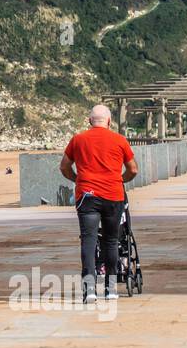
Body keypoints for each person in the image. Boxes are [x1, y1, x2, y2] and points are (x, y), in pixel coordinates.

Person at [59, 104, 139, 303]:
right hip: (113, 195)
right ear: (110, 122)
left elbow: (64, 167)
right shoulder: (119, 140)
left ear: (89, 121)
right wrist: (121, 179)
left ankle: (90, 290)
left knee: (89, 240)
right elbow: (133, 169)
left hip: (87, 196)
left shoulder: (78, 140)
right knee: (111, 241)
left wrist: (77, 179)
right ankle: (111, 289)